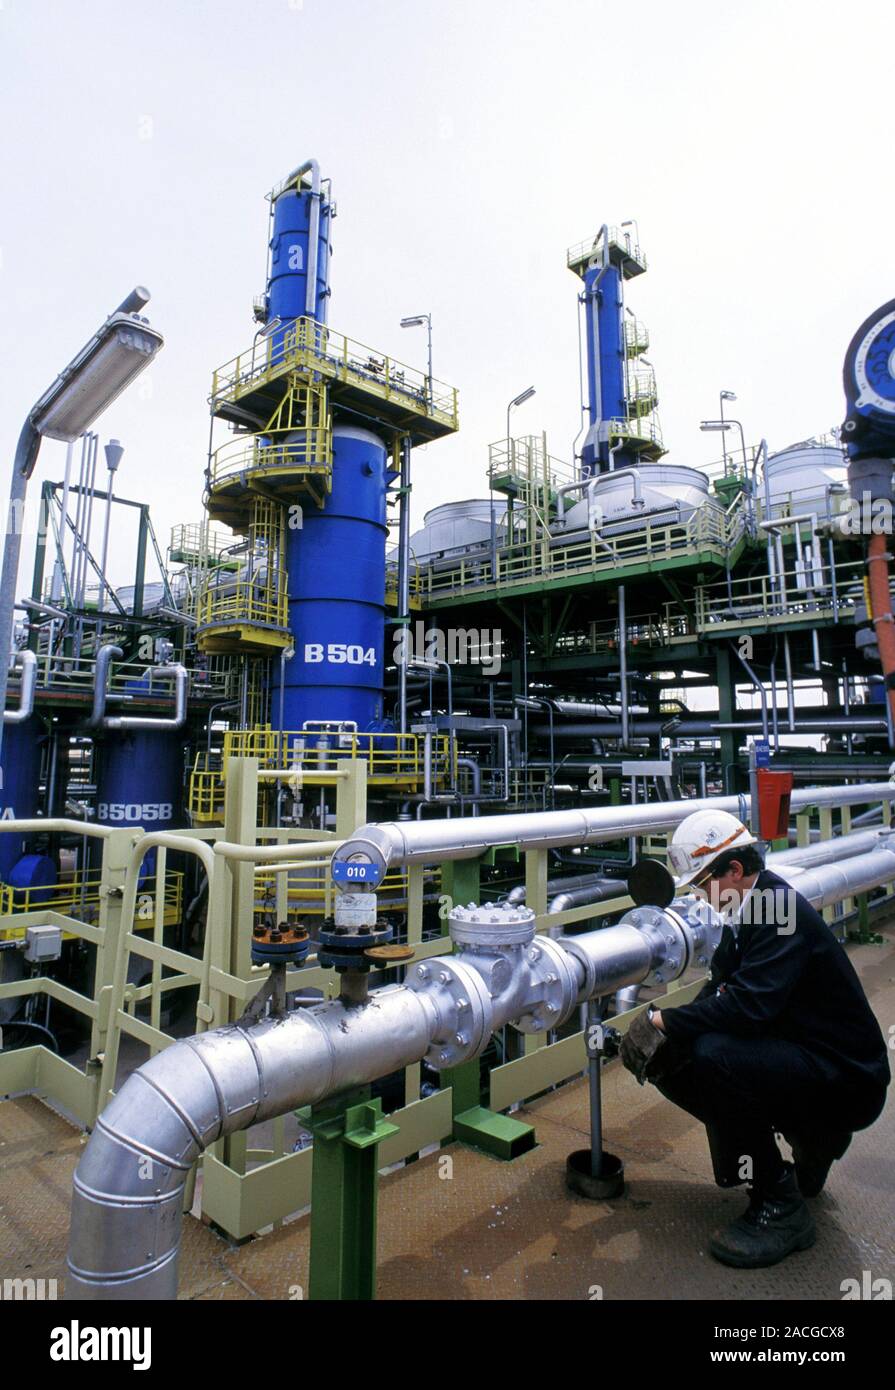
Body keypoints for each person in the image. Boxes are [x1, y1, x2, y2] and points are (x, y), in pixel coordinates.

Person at [620, 809, 891, 1269]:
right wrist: (668, 1033)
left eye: (704, 884)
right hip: (821, 1065)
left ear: (735, 870)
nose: (702, 897)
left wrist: (663, 1022)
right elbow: (718, 989)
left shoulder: (777, 910)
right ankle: (814, 1143)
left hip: (849, 1082)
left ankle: (780, 1206)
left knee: (714, 1058)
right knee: (678, 1055)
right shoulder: (754, 907)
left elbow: (749, 1007)